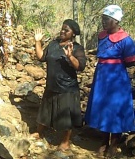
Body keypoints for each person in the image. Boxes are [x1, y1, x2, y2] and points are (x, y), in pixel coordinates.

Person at [85, 4, 135, 157]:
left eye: (106, 19)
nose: (103, 21)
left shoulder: (126, 40)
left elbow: (131, 62)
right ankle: (103, 142)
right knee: (102, 109)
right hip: (101, 78)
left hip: (117, 79)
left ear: (115, 20)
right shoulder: (101, 36)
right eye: (102, 18)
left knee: (115, 109)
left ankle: (113, 144)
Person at [33, 19, 87, 152]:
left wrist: (70, 57)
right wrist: (37, 41)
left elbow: (80, 66)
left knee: (66, 116)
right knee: (45, 111)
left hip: (67, 88)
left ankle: (65, 141)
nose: (62, 31)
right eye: (62, 28)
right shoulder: (53, 44)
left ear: (73, 33)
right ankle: (39, 132)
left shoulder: (77, 48)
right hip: (51, 85)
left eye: (66, 30)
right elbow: (41, 56)